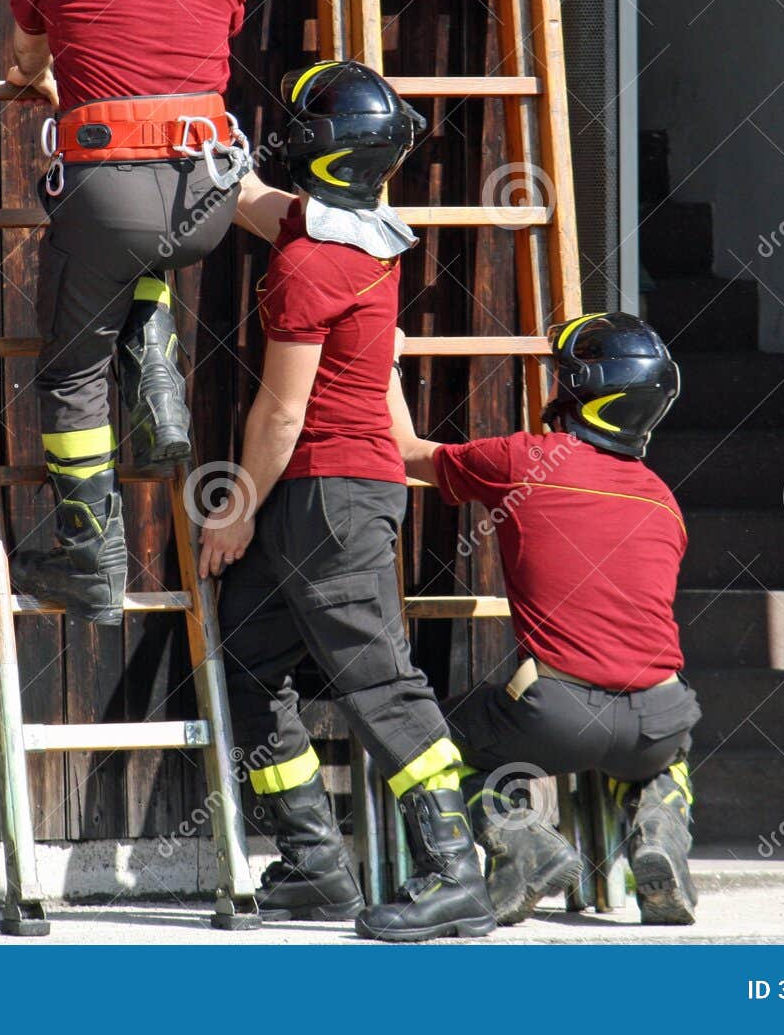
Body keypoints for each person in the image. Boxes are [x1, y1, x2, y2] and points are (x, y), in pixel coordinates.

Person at [201, 60, 494, 943]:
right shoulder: (351, 232)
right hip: (324, 496)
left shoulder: (307, 263)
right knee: (252, 657)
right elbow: (262, 204)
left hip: (326, 495)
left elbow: (283, 407)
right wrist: (224, 165)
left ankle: (456, 872)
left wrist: (238, 504)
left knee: (379, 680)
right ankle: (315, 862)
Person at [3, 0, 250, 626]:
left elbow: (25, 64)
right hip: (208, 198)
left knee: (71, 371)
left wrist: (42, 81)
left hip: (108, 193)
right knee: (140, 260)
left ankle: (90, 559)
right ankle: (159, 393)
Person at [388, 312, 702, 926]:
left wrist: (388, 359)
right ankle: (660, 828)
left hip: (557, 717)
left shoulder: (524, 460)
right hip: (661, 718)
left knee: (424, 739)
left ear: (581, 392)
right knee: (660, 761)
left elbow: (405, 452)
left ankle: (524, 842)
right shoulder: (664, 499)